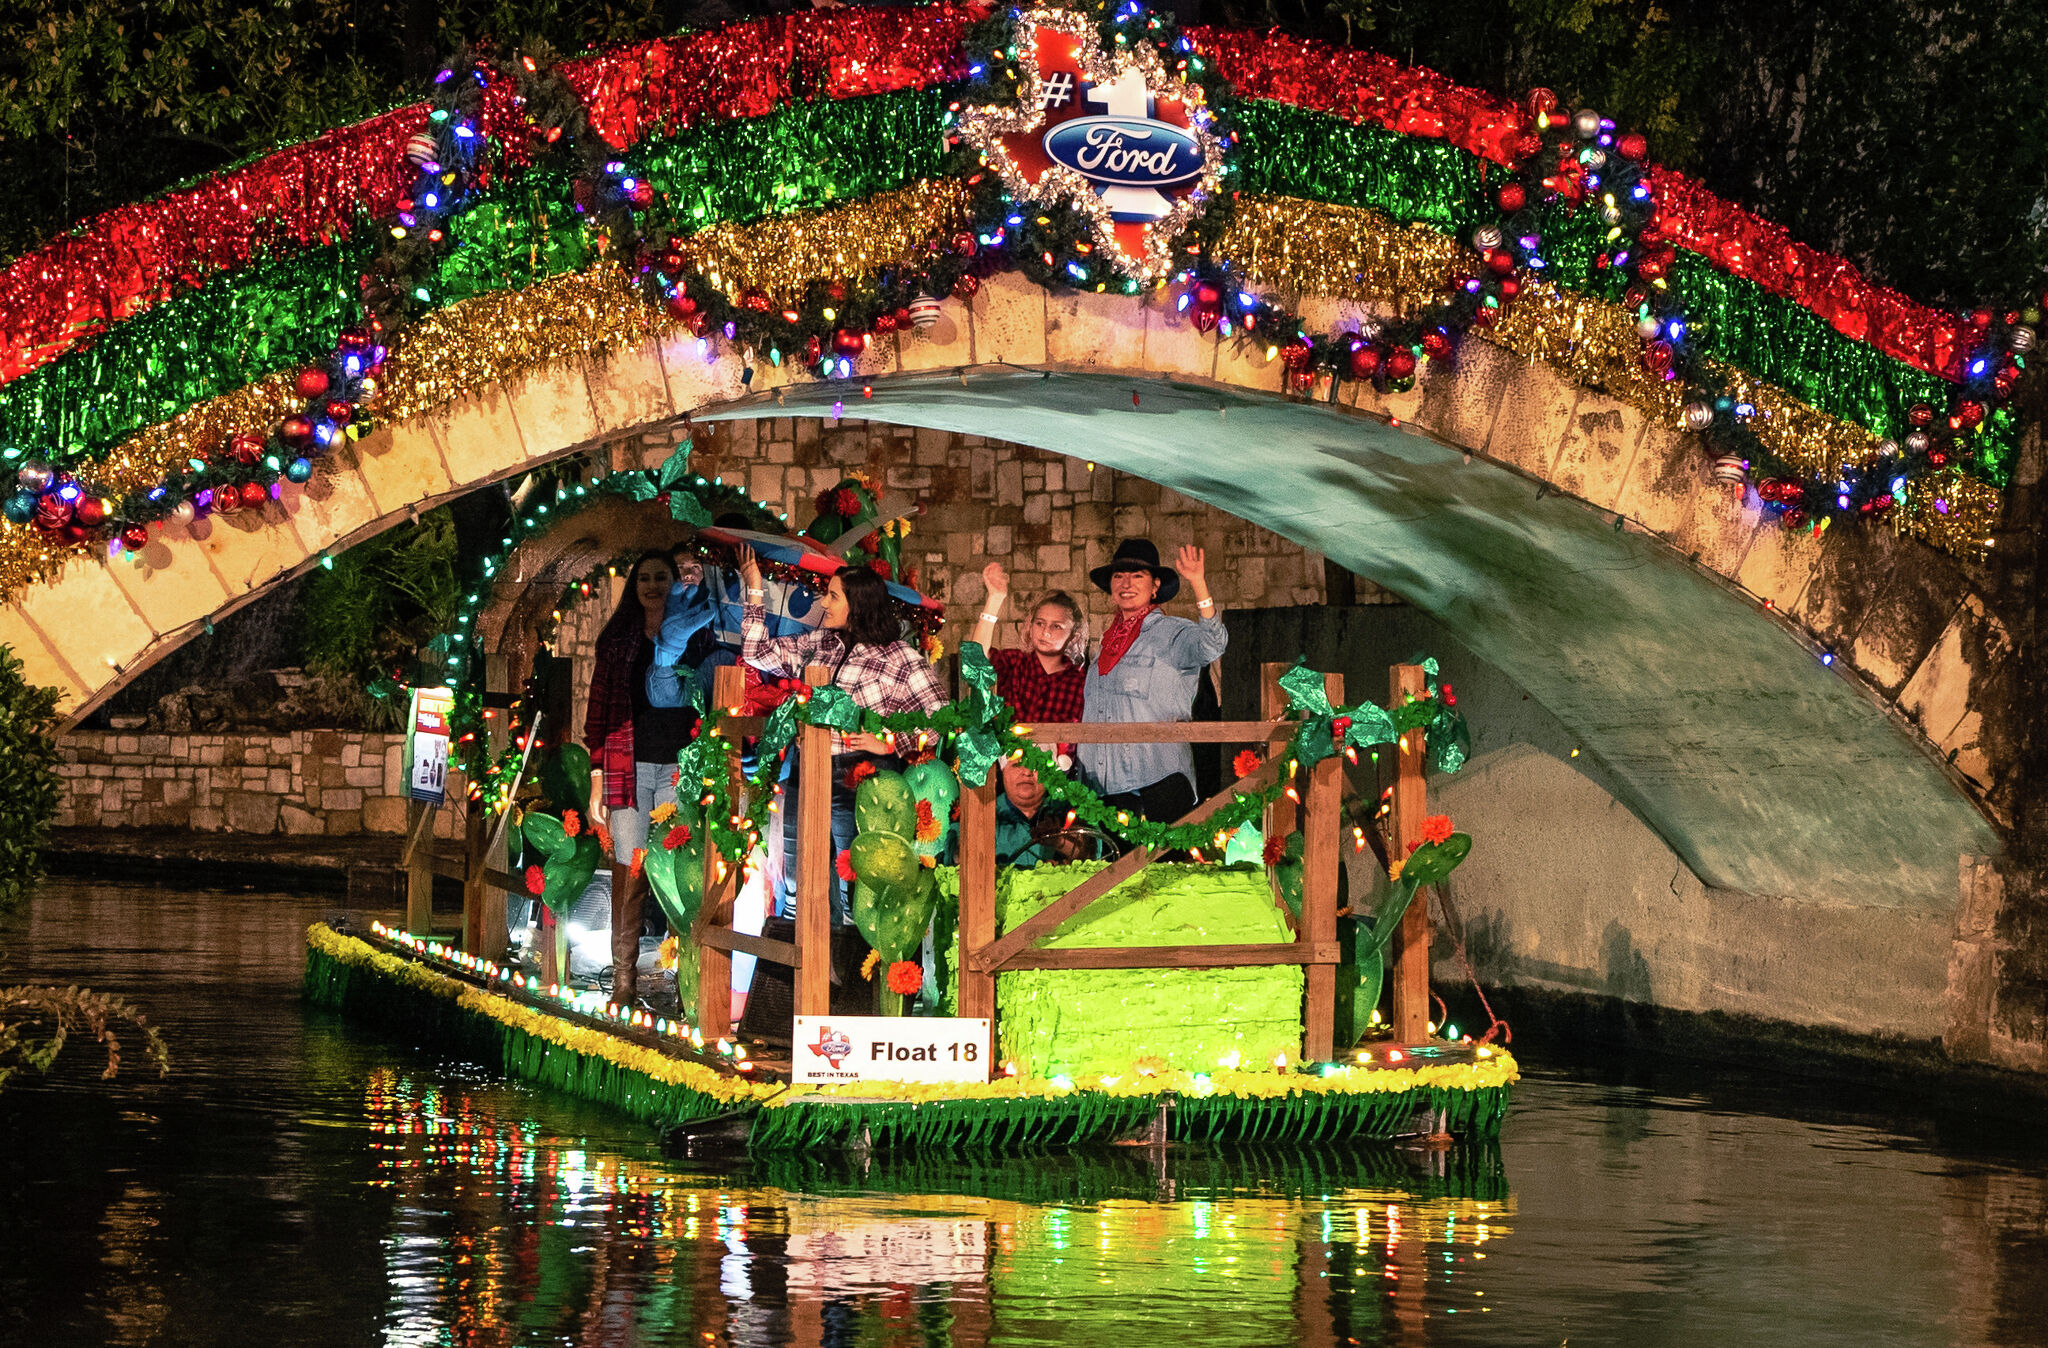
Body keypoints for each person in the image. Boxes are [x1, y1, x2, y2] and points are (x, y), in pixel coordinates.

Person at [734, 545, 948, 922]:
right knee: (800, 877)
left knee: (857, 878)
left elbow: (941, 719)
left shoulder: (899, 658)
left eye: (833, 595)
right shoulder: (821, 644)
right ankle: (805, 971)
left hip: (860, 775)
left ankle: (854, 973)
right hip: (806, 768)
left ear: (859, 604)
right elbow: (755, 651)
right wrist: (754, 589)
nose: (824, 602)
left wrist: (891, 742)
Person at [585, 552, 699, 1002]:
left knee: (675, 868)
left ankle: (678, 978)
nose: (653, 585)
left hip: (678, 765)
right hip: (626, 767)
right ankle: (624, 980)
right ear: (634, 585)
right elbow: (598, 713)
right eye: (645, 577)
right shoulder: (617, 639)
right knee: (629, 867)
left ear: (675, 583)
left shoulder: (694, 632)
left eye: (662, 577)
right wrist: (597, 776)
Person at [1078, 538, 1227, 828]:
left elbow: (1213, 644)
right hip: (1106, 790)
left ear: (1155, 585)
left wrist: (1199, 584)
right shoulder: (1104, 645)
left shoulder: (1173, 633)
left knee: (1166, 872)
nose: (1126, 583)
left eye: (1137, 576)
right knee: (1112, 873)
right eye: (1118, 576)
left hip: (1159, 785)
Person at [969, 563, 1087, 733]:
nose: (1045, 632)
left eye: (1056, 626)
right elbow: (974, 661)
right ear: (1030, 626)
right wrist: (994, 599)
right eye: (1040, 623)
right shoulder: (1015, 663)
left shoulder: (1080, 682)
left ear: (1073, 636)